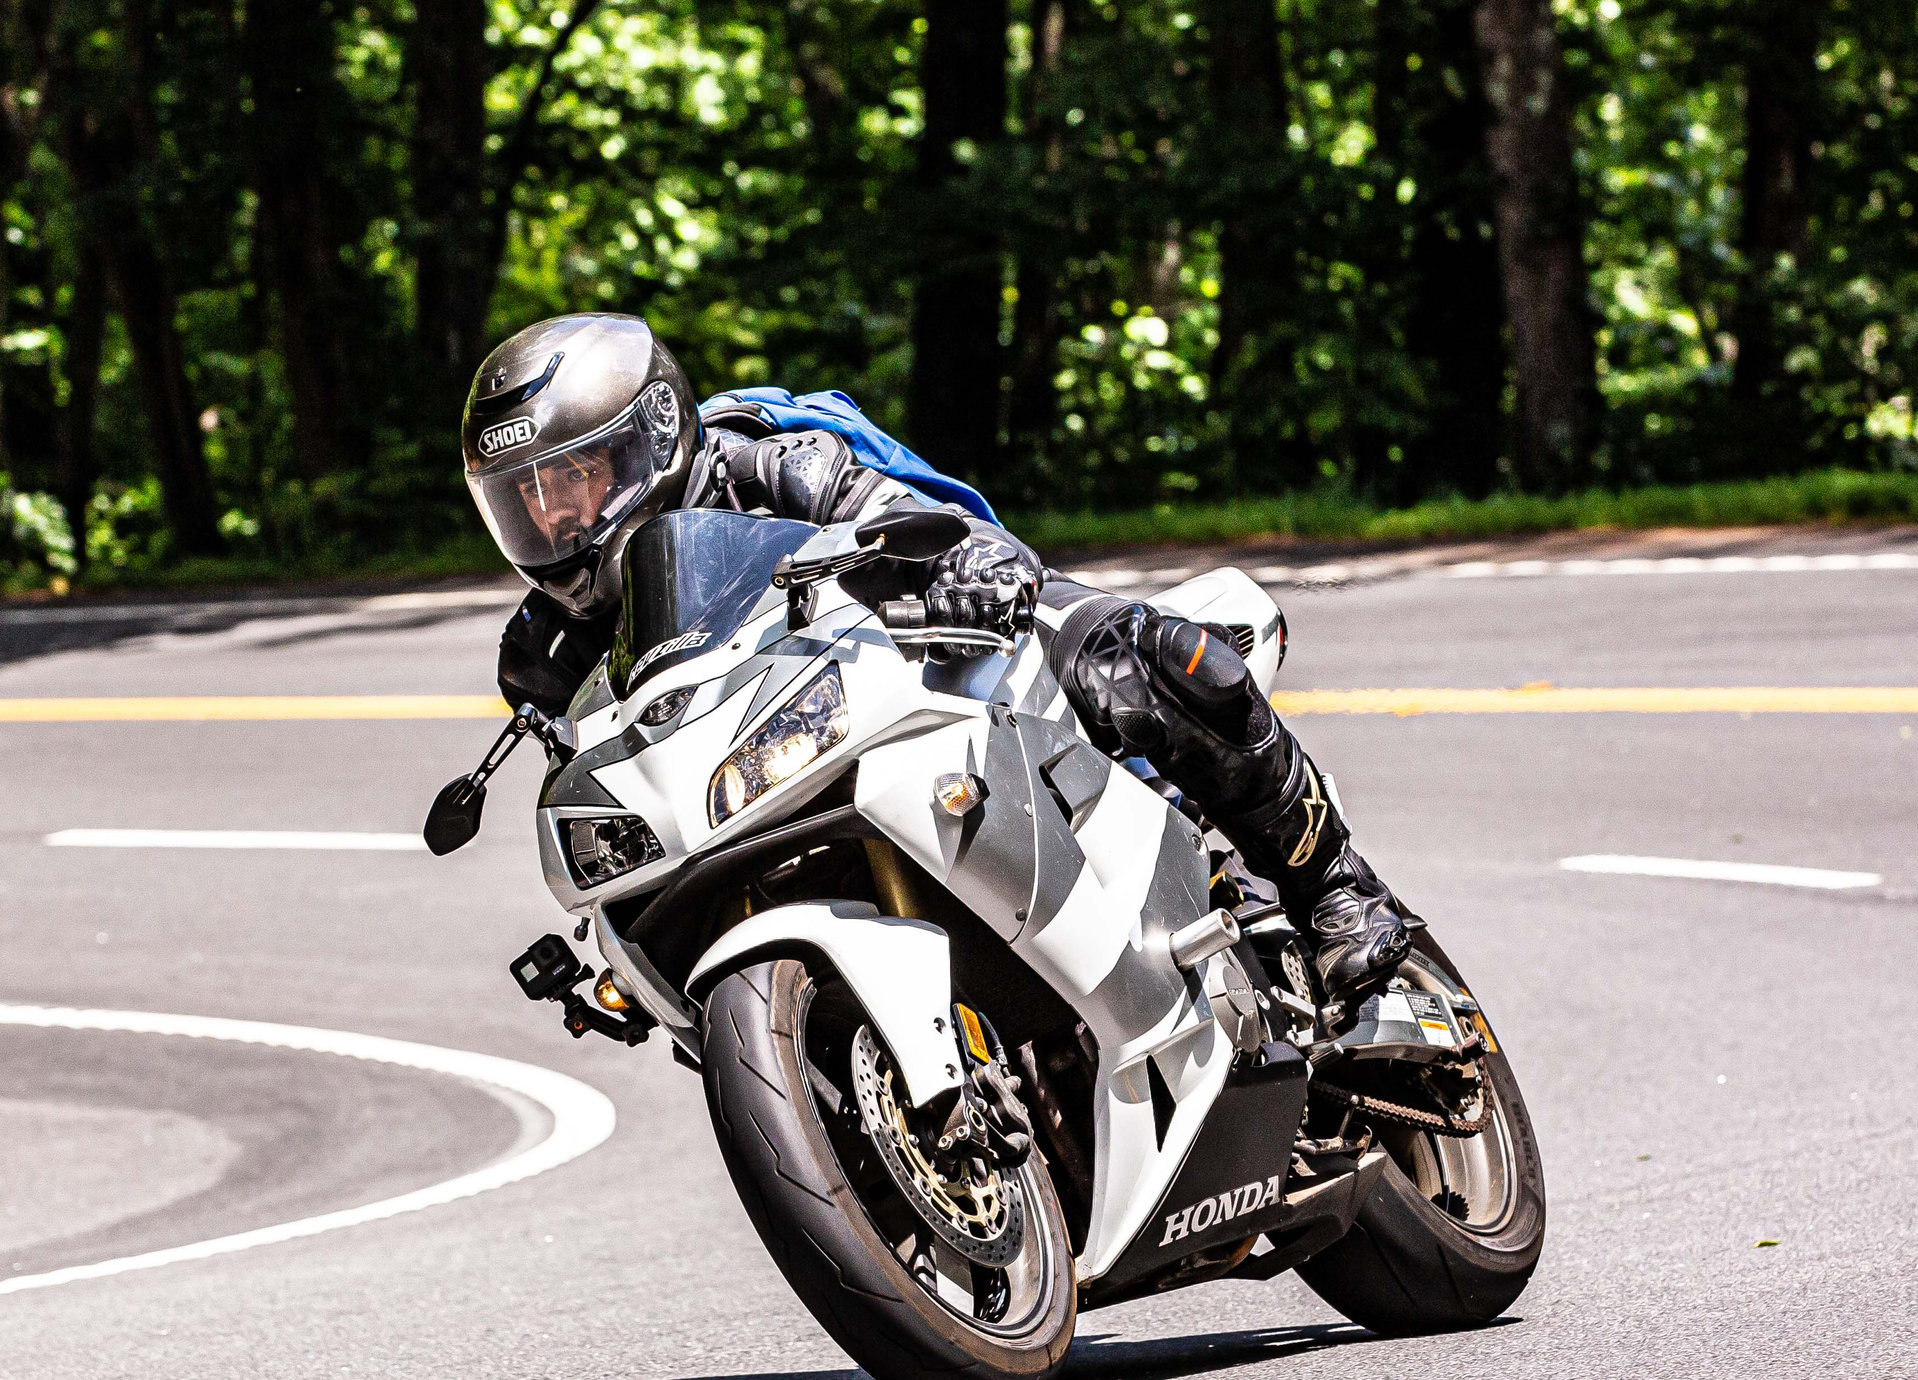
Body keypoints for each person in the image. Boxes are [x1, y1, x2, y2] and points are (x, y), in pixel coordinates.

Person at [463, 312, 1420, 1001]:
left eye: (574, 480)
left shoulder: (767, 466)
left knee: (1145, 659)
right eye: (525, 501)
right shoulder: (542, 650)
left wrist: (965, 554)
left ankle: (1333, 886)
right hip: (765, 772)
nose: (554, 519)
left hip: (929, 645)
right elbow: (595, 766)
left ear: (653, 439)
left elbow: (888, 508)